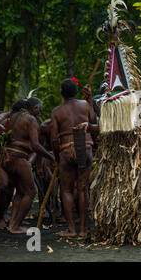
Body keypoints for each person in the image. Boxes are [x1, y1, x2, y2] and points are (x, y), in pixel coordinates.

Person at [0, 97, 55, 234]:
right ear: (34, 108)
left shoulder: (14, 117)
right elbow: (35, 145)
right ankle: (15, 226)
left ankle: (12, 223)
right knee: (30, 192)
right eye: (39, 109)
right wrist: (50, 156)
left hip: (7, 157)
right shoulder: (31, 120)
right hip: (19, 158)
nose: (40, 112)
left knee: (20, 191)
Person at [50, 79, 98, 237]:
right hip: (85, 147)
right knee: (83, 189)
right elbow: (92, 122)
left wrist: (57, 158)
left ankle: (72, 230)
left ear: (61, 93)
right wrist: (89, 101)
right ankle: (83, 230)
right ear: (76, 92)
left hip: (66, 150)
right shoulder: (85, 105)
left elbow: (54, 139)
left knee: (66, 190)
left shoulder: (57, 111)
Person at [0, 99, 28, 228]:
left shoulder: (19, 122)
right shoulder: (1, 120)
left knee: (11, 187)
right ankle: (0, 218)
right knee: (2, 185)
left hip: (11, 158)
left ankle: (6, 216)